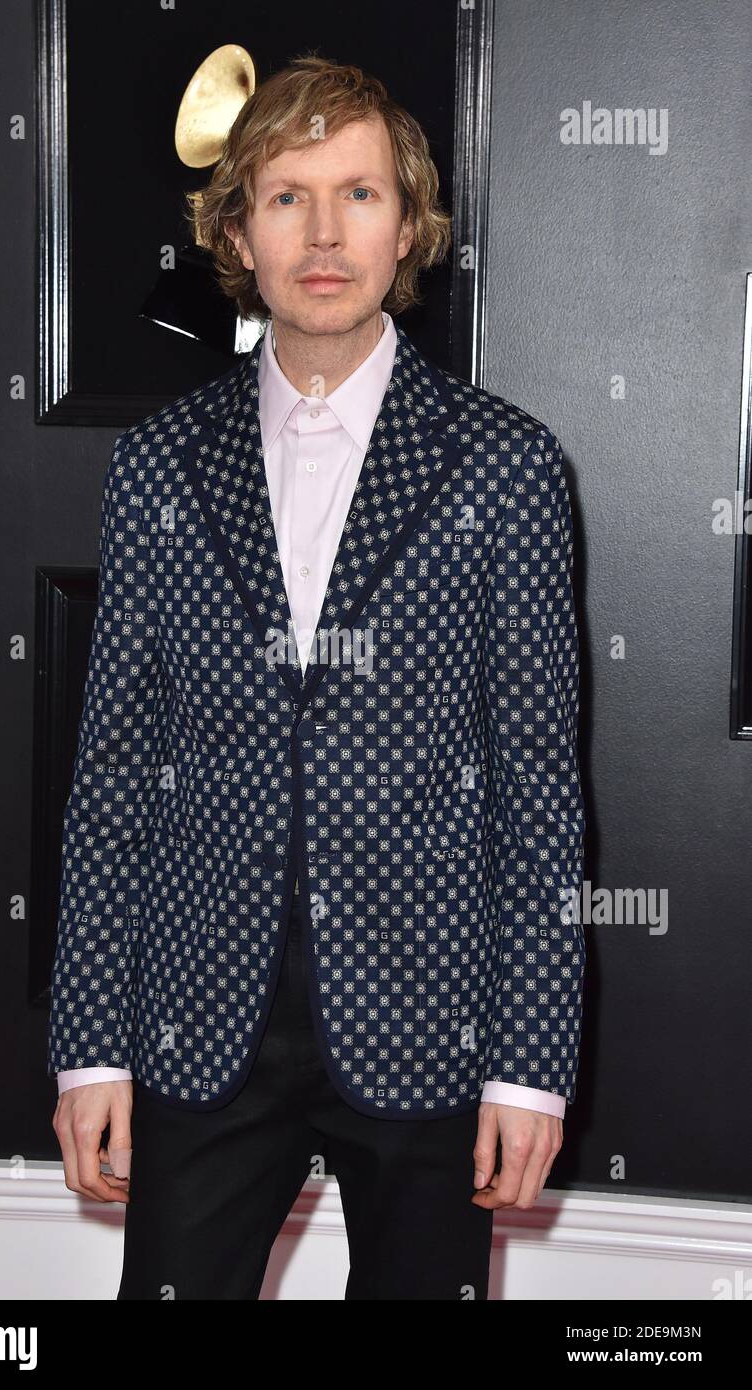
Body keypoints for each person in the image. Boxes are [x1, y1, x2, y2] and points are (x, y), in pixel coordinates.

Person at [48, 54, 586, 1300]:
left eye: (358, 194)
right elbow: (114, 776)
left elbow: (538, 788)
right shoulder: (158, 466)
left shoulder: (504, 469)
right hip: (197, 1021)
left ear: (409, 227)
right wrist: (88, 1048)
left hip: (431, 1026)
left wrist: (526, 1065)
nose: (326, 232)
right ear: (237, 227)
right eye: (287, 196)